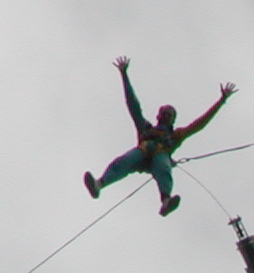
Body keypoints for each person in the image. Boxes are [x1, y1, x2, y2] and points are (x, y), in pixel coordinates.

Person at [84, 57, 237, 215]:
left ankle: (165, 201)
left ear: (173, 119)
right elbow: (133, 105)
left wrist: (221, 101)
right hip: (142, 153)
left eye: (170, 114)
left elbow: (199, 124)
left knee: (163, 167)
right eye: (165, 113)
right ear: (158, 115)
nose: (167, 116)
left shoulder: (176, 135)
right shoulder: (146, 129)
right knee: (123, 161)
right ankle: (100, 184)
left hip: (160, 157)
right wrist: (124, 75)